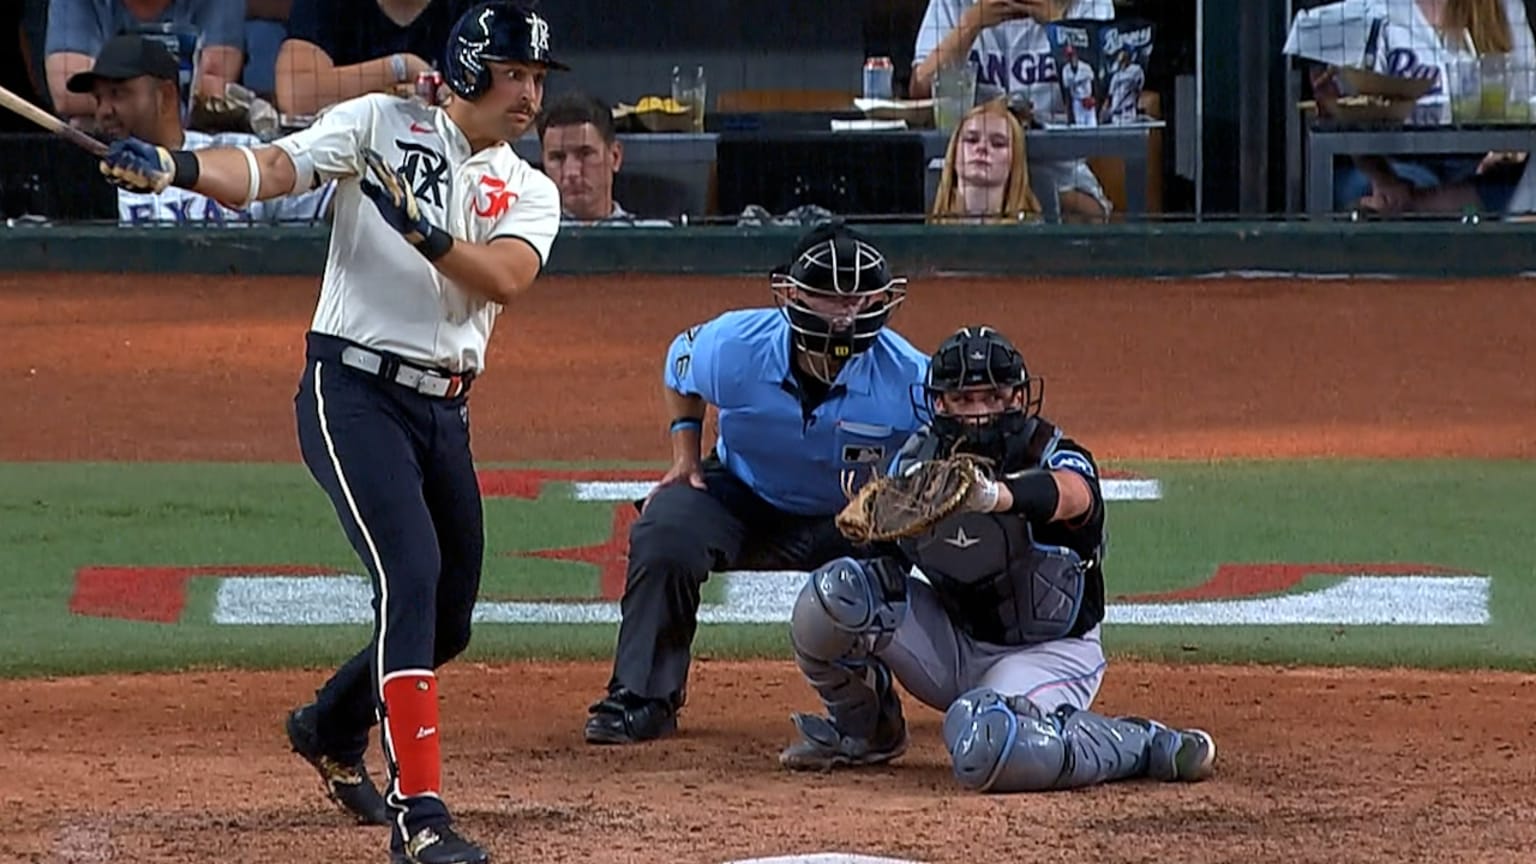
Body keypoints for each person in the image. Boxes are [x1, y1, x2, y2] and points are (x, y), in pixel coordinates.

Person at [98, 3, 564, 861]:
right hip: (351, 390)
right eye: (515, 73)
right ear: (468, 71)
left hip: (445, 409)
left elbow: (504, 277)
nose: (530, 93)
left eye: (538, 78)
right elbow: (271, 170)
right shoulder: (378, 123)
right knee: (411, 575)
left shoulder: (531, 188)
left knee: (449, 618)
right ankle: (419, 818)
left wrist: (422, 231)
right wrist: (175, 165)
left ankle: (328, 726)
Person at [778, 325, 1218, 793]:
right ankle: (867, 732)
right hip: (951, 647)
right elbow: (883, 575)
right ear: (940, 404)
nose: (979, 413)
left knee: (991, 746)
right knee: (834, 597)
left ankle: (1142, 743)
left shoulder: (1052, 453)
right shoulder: (916, 467)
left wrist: (995, 496)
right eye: (964, 400)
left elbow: (1075, 496)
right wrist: (866, 533)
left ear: (1017, 399)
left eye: (993, 397)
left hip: (1046, 655)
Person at [583, 222, 930, 745]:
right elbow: (680, 366)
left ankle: (886, 702)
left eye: (857, 298)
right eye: (828, 296)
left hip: (853, 514)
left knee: (933, 543)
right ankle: (643, 695)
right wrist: (685, 454)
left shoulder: (910, 377)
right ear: (791, 295)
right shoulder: (734, 347)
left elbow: (946, 445)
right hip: (745, 494)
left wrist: (904, 499)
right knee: (665, 530)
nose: (845, 314)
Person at [1284, 0, 1536, 214]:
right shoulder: (1371, 10)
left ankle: (1417, 204)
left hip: (1477, 164)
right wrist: (1381, 176)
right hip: (1395, 161)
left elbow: (1528, 93)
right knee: (1364, 191)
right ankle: (1424, 204)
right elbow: (1346, 116)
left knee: (1523, 185)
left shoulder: (1502, 7)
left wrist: (1508, 151)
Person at [71, 33, 334, 226]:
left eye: (118, 94)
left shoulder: (243, 153)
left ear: (166, 96)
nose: (104, 110)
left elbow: (331, 200)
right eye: (98, 99)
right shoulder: (92, 182)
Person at [910, 0, 1115, 222]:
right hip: (968, 161)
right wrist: (972, 23)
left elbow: (1101, 100)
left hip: (1057, 165)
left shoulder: (1089, 4)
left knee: (1090, 217)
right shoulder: (952, 3)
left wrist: (1058, 25)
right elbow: (921, 89)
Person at [44, 0, 246, 125]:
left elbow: (212, 91)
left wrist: (116, 94)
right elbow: (68, 93)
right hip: (97, 148)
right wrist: (163, 100)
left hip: (192, 152)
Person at [275, 0, 471, 116]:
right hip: (349, 159)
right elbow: (296, 95)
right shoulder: (326, 5)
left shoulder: (477, 9)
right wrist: (401, 67)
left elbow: (496, 108)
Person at [536, 90, 667, 225]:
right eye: (558, 158)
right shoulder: (524, 237)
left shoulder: (657, 239)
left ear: (615, 157)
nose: (571, 172)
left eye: (585, 154)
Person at [930, 98, 1043, 223]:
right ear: (954, 151)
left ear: (1015, 158)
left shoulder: (1033, 232)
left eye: (998, 143)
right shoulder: (925, 228)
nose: (982, 147)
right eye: (972, 140)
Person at [1058, 44, 1096, 127]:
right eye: (1069, 56)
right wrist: (1067, 108)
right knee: (1080, 125)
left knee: (1092, 125)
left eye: (1072, 55)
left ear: (1076, 55)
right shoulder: (1066, 70)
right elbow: (1066, 88)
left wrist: (1093, 98)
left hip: (1088, 100)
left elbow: (1094, 83)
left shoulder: (1086, 67)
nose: (1071, 57)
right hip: (1077, 101)